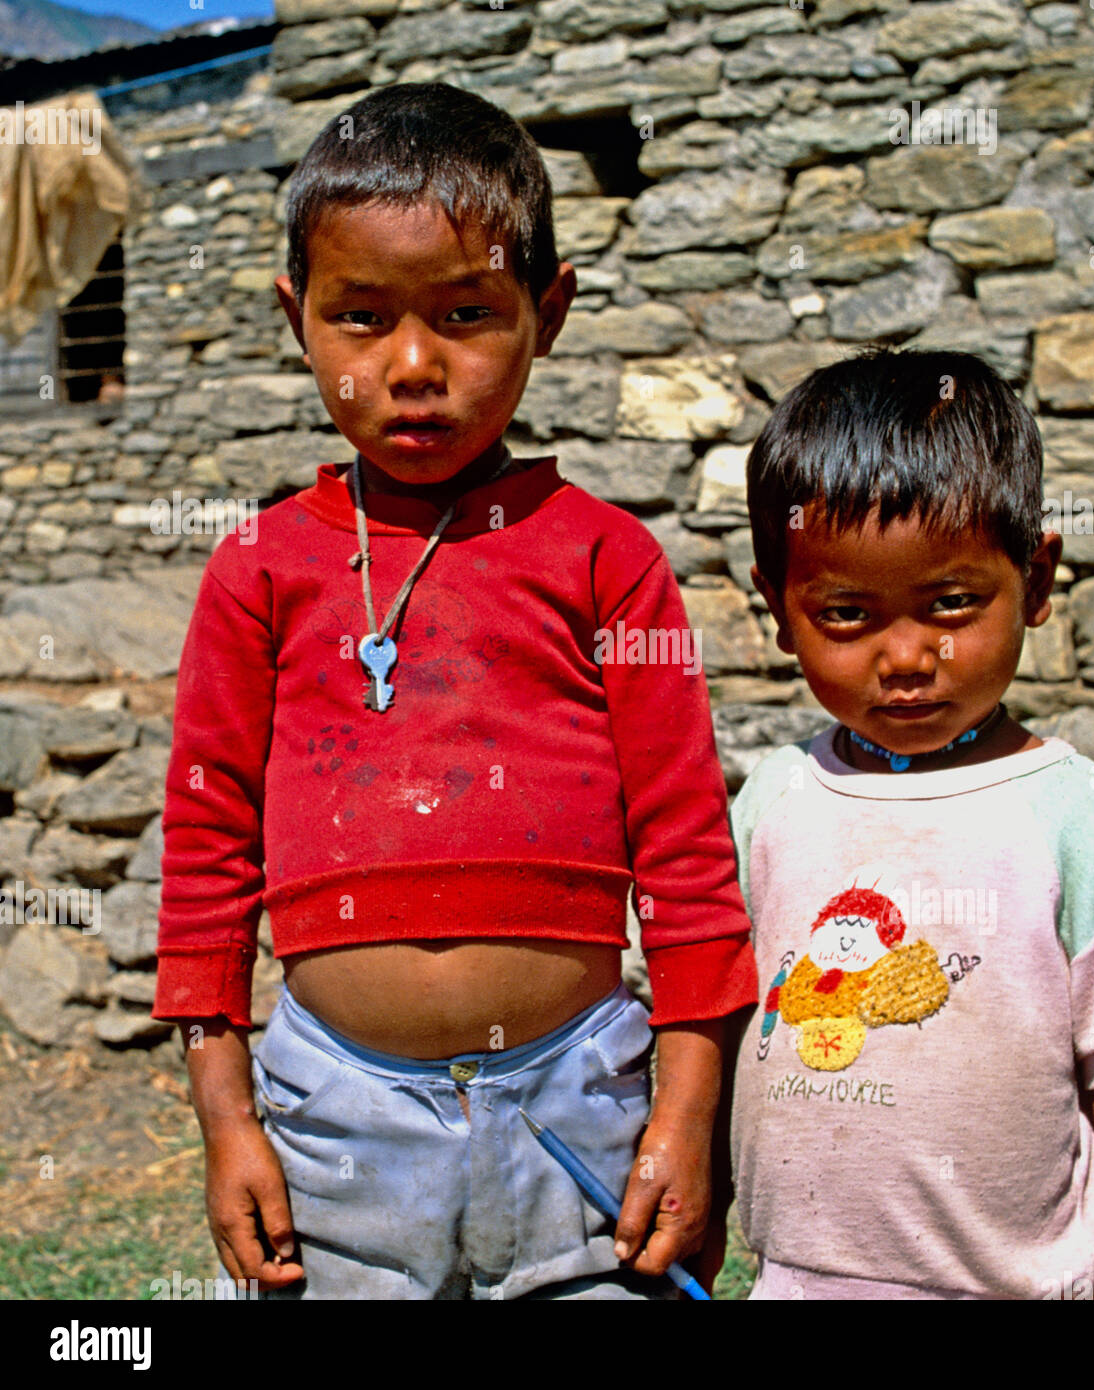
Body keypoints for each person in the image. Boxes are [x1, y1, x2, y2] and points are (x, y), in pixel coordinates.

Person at [152, 81, 757, 1301]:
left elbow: (689, 857)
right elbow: (207, 852)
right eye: (360, 318)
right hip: (332, 1119)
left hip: (577, 1106)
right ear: (296, 320)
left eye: (468, 314)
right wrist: (227, 1121)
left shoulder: (605, 562)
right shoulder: (259, 568)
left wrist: (687, 1117)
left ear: (551, 311)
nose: (413, 366)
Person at [726, 344, 1094, 1300]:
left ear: (1035, 583)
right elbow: (728, 1017)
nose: (906, 656)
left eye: (952, 604)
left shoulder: (1074, 813)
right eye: (846, 614)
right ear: (777, 609)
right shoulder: (773, 800)